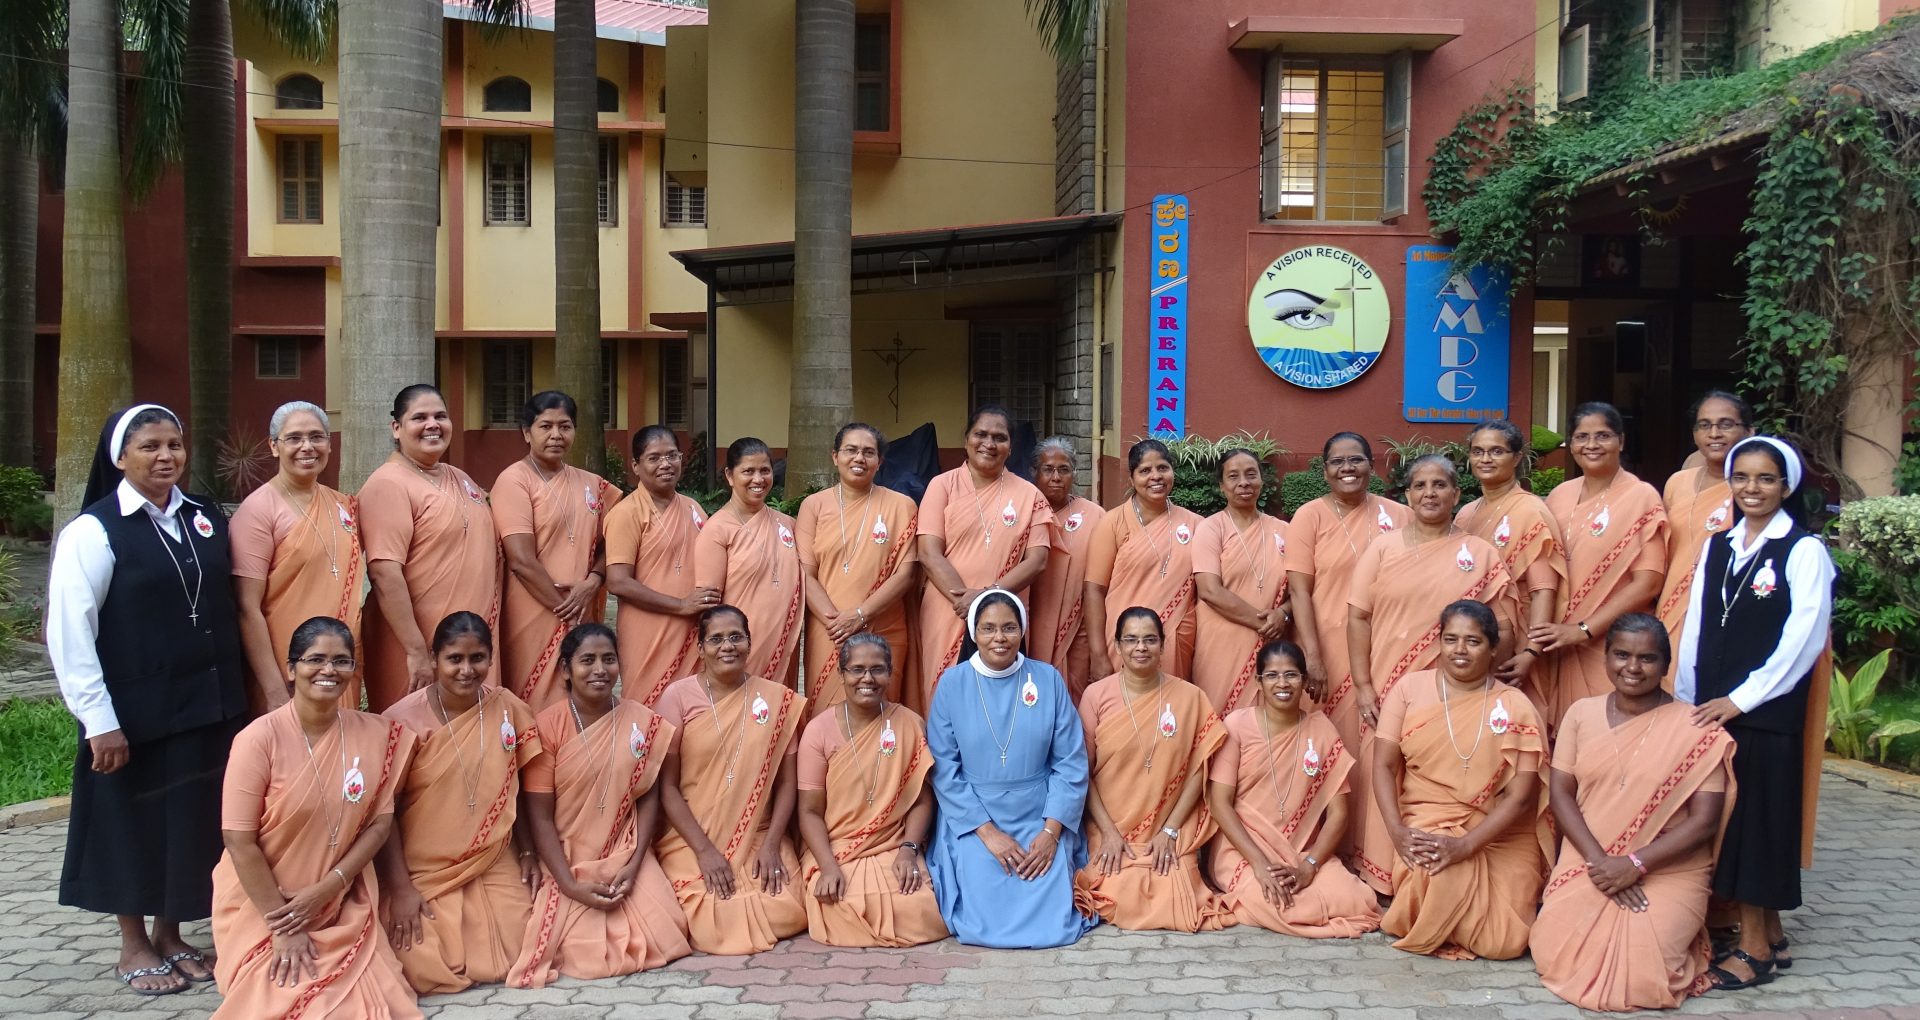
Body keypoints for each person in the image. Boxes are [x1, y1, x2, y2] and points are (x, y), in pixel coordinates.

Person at [47, 403, 251, 995]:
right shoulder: (94, 530)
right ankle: (133, 942)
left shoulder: (203, 517)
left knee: (189, 823)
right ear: (119, 457)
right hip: (133, 714)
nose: (166, 457)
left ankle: (171, 932)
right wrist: (98, 722)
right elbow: (70, 633)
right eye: (150, 447)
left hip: (206, 704)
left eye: (175, 446)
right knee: (130, 823)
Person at [1676, 435, 1834, 990]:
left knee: (1761, 826)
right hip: (1714, 708)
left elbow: (1803, 639)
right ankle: (1771, 936)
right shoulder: (1718, 546)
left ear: (1786, 486)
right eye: (1742, 478)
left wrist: (1743, 698)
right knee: (1735, 825)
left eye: (1766, 479)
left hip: (1765, 715)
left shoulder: (1804, 550)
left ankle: (1756, 950)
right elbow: (1695, 629)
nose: (1752, 488)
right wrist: (1686, 700)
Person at [211, 617, 421, 1017]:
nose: (329, 670)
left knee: (379, 996)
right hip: (266, 904)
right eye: (316, 659)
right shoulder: (258, 740)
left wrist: (329, 887)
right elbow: (239, 842)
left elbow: (380, 823)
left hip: (341, 899)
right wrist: (284, 929)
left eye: (341, 661)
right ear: (291, 669)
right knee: (286, 998)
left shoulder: (375, 734)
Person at [1531, 614, 1735, 1011]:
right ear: (1605, 658)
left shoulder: (1696, 727)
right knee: (1553, 948)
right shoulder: (1580, 714)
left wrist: (1635, 863)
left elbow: (1704, 820)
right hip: (1591, 855)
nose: (1633, 667)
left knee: (1644, 974)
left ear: (1665, 664)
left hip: (1669, 865)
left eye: (1647, 658)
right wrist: (1602, 863)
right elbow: (1561, 794)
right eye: (1621, 655)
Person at [1346, 454, 1514, 894]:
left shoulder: (1479, 554)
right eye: (1420, 486)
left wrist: (1478, 683)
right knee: (1384, 768)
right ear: (1407, 495)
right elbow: (1358, 617)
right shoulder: (1383, 548)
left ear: (1457, 495)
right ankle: (1384, 873)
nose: (1429, 494)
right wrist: (1363, 685)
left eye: (1440, 485)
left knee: (1444, 770)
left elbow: (1505, 627)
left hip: (1457, 692)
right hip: (1387, 684)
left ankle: (1442, 862)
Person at [506, 623, 690, 988]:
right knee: (580, 952)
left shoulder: (641, 722)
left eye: (608, 659)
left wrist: (636, 862)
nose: (599, 670)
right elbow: (538, 815)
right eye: (587, 660)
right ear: (566, 669)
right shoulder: (547, 727)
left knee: (668, 934)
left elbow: (649, 794)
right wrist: (569, 884)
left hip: (625, 848)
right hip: (565, 852)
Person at [1371, 601, 1551, 960]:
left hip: (1499, 830)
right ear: (1438, 642)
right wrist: (1397, 832)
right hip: (1428, 819)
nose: (1460, 650)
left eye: (1473, 641)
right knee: (1435, 876)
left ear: (1494, 648)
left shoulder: (1515, 704)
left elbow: (1520, 797)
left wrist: (1466, 846)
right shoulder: (1409, 689)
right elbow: (1383, 766)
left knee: (1505, 942)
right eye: (1451, 639)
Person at [378, 612, 543, 994]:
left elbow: (514, 785)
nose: (467, 670)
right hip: (424, 864)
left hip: (493, 853)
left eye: (477, 658)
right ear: (434, 659)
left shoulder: (507, 708)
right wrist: (401, 889)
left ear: (490, 658)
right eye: (455, 659)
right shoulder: (401, 722)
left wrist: (528, 852)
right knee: (420, 960)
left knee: (531, 939)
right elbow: (383, 813)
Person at [925, 590, 1096, 948]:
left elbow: (1070, 761)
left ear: (1022, 630)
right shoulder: (952, 684)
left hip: (1039, 813)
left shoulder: (1047, 679)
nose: (999, 638)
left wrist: (1051, 834)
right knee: (981, 892)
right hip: (975, 817)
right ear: (973, 633)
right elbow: (944, 768)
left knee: (1049, 897)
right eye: (988, 629)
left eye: (1008, 627)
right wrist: (988, 834)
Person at [653, 605, 809, 954]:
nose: (727, 646)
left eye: (736, 637)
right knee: (707, 912)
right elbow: (667, 787)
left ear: (750, 642)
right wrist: (705, 851)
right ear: (700, 647)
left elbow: (787, 783)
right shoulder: (677, 697)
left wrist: (772, 844)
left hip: (760, 832)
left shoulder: (775, 699)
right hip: (694, 834)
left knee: (788, 907)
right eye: (717, 639)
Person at [1206, 640, 1380, 938]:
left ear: (1303, 679)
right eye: (1272, 675)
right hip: (1244, 850)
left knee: (1359, 899)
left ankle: (1290, 905)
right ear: (1258, 682)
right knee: (1273, 902)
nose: (1282, 683)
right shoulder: (1237, 725)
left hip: (1302, 851)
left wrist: (1309, 866)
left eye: (1291, 674)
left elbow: (1339, 813)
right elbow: (1219, 803)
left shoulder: (1321, 729)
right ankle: (1256, 901)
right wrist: (1259, 864)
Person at [1071, 608, 1230, 932]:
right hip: (1110, 826)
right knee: (1119, 892)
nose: (1140, 647)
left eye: (1149, 640)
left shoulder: (1190, 697)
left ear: (1162, 645)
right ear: (1116, 645)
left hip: (1169, 828)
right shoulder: (1096, 696)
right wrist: (1110, 833)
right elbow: (1082, 771)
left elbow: (1200, 771)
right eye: (1130, 640)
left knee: (1175, 888)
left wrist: (1170, 830)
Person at [794, 633, 948, 947]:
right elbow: (809, 811)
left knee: (921, 908)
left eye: (877, 669)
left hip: (892, 845)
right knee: (837, 903)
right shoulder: (818, 730)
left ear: (891, 674)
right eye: (857, 669)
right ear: (842, 674)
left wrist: (909, 850)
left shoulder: (908, 723)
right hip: (836, 847)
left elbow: (921, 799)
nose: (868, 678)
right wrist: (827, 866)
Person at [359, 385, 503, 712]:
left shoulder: (459, 478)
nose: (433, 424)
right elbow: (384, 573)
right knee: (416, 737)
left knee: (473, 737)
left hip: (470, 641)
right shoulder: (388, 484)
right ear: (396, 428)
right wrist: (416, 651)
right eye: (419, 417)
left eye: (440, 416)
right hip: (415, 645)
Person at [1535, 402, 1668, 727]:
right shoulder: (1559, 496)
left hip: (1611, 643)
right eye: (1582, 436)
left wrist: (1583, 630)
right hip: (1558, 644)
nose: (1591, 445)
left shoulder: (1641, 496)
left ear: (1621, 441)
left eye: (1602, 436)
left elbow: (1648, 582)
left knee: (1610, 735)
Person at [914, 406, 1055, 711]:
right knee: (942, 689)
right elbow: (928, 551)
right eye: (981, 434)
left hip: (1002, 614)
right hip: (947, 608)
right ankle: (943, 758)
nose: (989, 444)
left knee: (1000, 696)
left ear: (1010, 446)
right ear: (966, 439)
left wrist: (986, 599)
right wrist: (966, 603)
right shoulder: (942, 486)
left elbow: (1037, 560)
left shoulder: (1029, 495)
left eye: (999, 437)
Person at [232, 401, 365, 713]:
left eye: (317, 437)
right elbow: (246, 608)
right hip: (286, 667)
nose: (307, 447)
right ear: (274, 447)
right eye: (294, 438)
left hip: (339, 662)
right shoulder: (259, 510)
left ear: (329, 445)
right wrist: (274, 688)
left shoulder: (343, 505)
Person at [492, 391, 621, 712]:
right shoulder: (514, 481)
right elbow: (521, 560)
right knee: (534, 701)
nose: (555, 435)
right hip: (532, 609)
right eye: (545, 426)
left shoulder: (592, 484)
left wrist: (593, 580)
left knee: (580, 698)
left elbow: (617, 543)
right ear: (526, 432)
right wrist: (568, 611)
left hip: (581, 603)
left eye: (565, 426)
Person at [1284, 432, 1410, 758]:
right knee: (1329, 739)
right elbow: (1299, 591)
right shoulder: (1309, 516)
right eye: (1337, 461)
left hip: (1386, 642)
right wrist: (1312, 657)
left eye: (1356, 459)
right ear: (1325, 471)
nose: (1347, 467)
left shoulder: (1401, 516)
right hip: (1327, 645)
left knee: (1381, 730)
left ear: (1371, 465)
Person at [797, 423, 920, 716]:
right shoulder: (813, 506)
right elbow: (805, 573)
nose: (859, 458)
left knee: (881, 709)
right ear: (835, 456)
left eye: (868, 452)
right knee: (828, 713)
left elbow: (906, 575)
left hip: (884, 626)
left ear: (880, 462)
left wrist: (861, 615)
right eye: (850, 450)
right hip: (830, 632)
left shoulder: (902, 506)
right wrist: (837, 623)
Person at [1454, 420, 1565, 722]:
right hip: (1470, 640)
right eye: (1478, 451)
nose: (1485, 459)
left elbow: (1544, 589)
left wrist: (1530, 652)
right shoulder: (1466, 514)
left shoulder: (1530, 510)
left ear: (1517, 458)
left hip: (1516, 644)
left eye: (1496, 451)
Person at [603, 425, 718, 706]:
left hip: (691, 628)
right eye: (654, 458)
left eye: (672, 456)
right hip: (647, 630)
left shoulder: (693, 508)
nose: (665, 464)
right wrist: (680, 605)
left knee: (692, 708)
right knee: (647, 706)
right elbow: (618, 581)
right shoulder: (627, 513)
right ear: (636, 466)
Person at [1084, 439, 1204, 680]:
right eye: (1145, 471)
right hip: (1124, 639)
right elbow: (1094, 590)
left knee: (1170, 712)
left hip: (1175, 641)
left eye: (1162, 468)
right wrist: (1098, 655)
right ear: (1132, 479)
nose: (1156, 476)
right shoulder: (1113, 523)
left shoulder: (1196, 525)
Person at [694, 438, 803, 689]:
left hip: (783, 643)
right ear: (730, 476)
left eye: (765, 470)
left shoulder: (787, 524)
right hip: (738, 647)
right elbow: (709, 608)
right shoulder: (717, 531)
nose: (758, 479)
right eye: (748, 471)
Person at [1191, 448, 1290, 712]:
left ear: (1262, 480)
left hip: (1273, 642)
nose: (1243, 482)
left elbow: (1301, 590)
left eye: (1251, 474)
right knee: (1220, 717)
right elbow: (1210, 591)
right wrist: (1264, 622)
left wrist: (1282, 614)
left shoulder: (1284, 531)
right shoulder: (1211, 528)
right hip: (1221, 643)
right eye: (1233, 476)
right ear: (1222, 487)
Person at [1657, 392, 1753, 659]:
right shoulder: (1678, 482)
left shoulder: (1753, 491)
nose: (1714, 433)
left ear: (1748, 431)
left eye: (1725, 424)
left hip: (1724, 606)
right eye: (1704, 425)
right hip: (1671, 605)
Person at [1027, 437, 1106, 699]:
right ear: (1034, 473)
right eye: (1048, 469)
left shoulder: (1095, 516)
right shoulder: (1024, 511)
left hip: (1078, 630)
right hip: (1031, 623)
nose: (1056, 477)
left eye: (1064, 470)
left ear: (1074, 474)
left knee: (1075, 695)